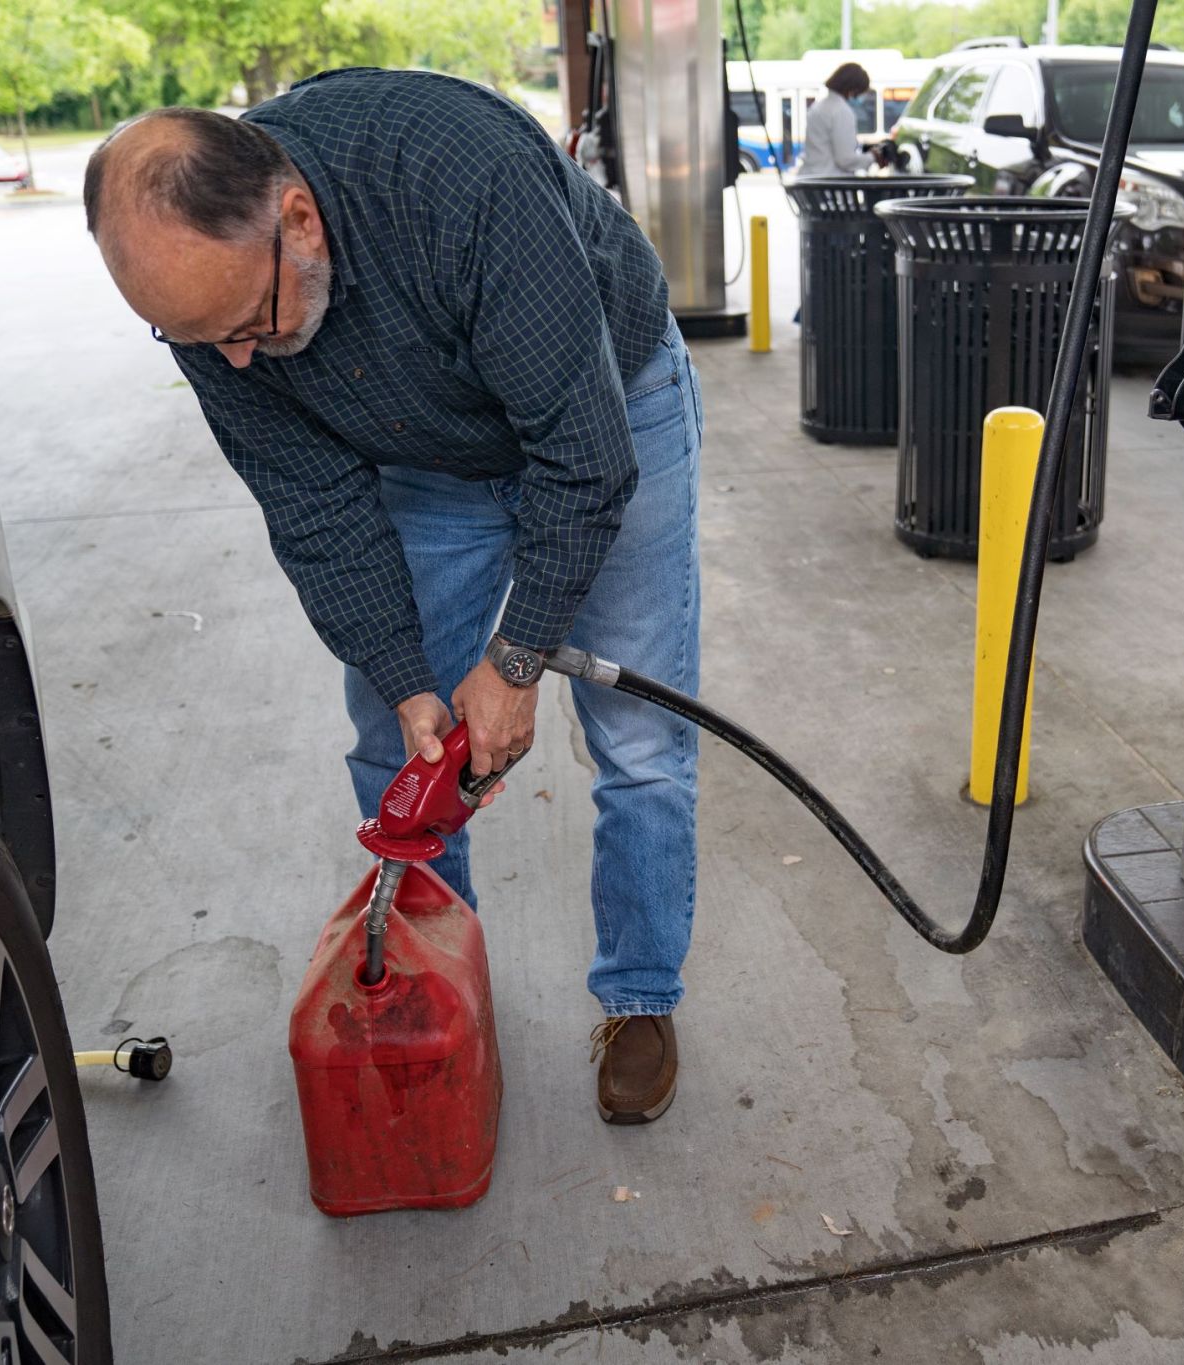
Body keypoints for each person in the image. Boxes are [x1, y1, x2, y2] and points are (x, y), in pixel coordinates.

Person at [81, 70, 701, 1125]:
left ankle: (638, 998)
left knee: (639, 741)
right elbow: (317, 509)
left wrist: (514, 663)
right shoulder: (212, 306)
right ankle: (438, 1000)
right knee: (394, 745)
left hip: (609, 410)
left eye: (247, 322)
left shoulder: (464, 179)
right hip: (421, 449)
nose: (233, 357)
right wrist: (408, 678)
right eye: (195, 341)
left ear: (298, 217)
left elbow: (581, 458)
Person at [795, 63, 896, 178]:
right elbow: (845, 159)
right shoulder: (842, 111)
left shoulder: (818, 107)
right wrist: (873, 156)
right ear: (853, 89)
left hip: (810, 181)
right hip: (829, 183)